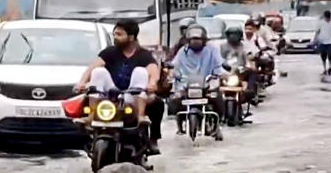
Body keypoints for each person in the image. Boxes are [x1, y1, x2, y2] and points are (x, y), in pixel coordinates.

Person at [75, 19, 162, 153]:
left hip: (131, 96)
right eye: (115, 34)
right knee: (98, 72)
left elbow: (153, 71)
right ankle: (91, 116)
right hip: (110, 96)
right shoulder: (109, 52)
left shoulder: (144, 55)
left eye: (119, 35)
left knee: (141, 72)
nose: (115, 37)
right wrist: (82, 83)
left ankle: (140, 116)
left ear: (131, 37)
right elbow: (92, 68)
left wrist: (152, 83)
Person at [168, 24, 229, 134]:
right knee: (175, 98)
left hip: (207, 82)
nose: (195, 42)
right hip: (186, 84)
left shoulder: (212, 50)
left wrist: (224, 74)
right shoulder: (182, 52)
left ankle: (217, 123)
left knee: (217, 96)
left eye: (198, 39)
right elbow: (175, 66)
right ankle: (180, 122)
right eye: (193, 39)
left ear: (204, 40)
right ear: (188, 40)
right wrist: (172, 73)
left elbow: (218, 65)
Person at [313, 10, 331, 75]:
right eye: (326, 18)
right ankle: (324, 68)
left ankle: (329, 67)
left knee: (330, 55)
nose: (327, 19)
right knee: (323, 56)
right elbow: (317, 32)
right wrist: (315, 39)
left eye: (328, 18)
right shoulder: (320, 23)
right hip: (322, 41)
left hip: (330, 41)